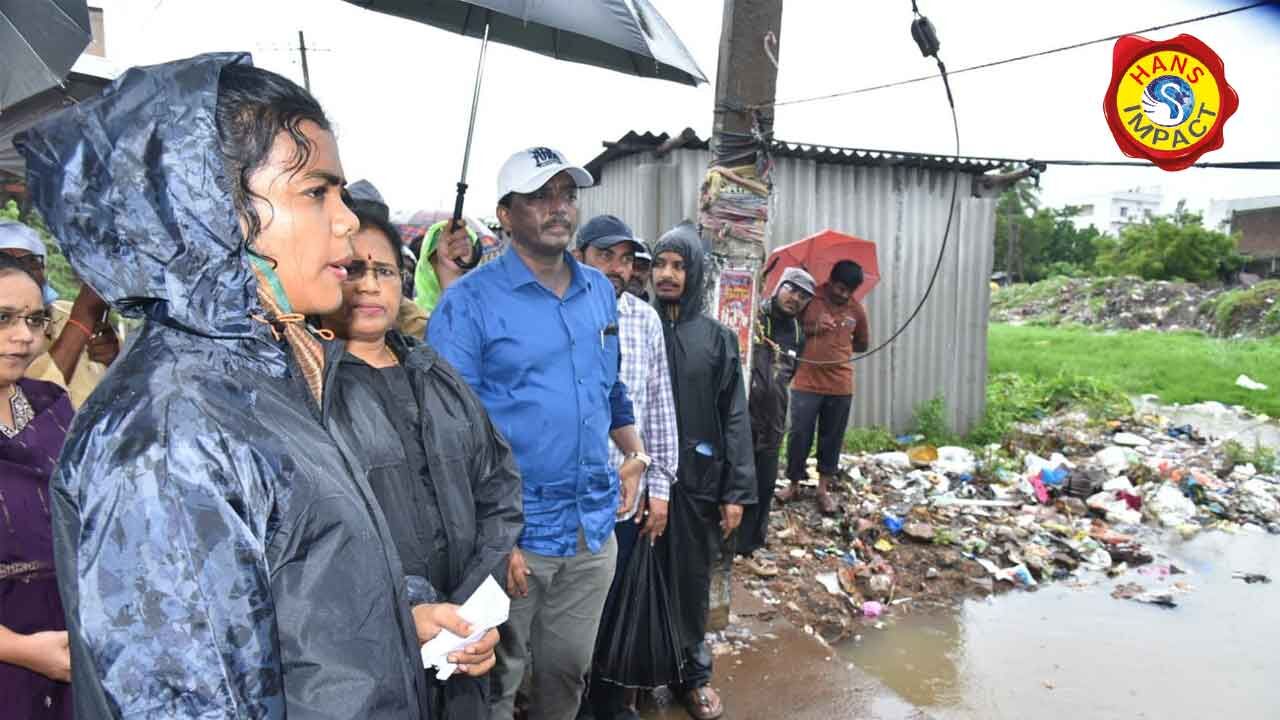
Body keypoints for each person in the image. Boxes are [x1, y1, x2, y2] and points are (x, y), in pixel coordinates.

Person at [18, 54, 437, 718]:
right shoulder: (169, 436)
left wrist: (403, 610)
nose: (349, 220)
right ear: (211, 210)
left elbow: (295, 578)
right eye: (315, 191)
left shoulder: (261, 374)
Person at [428, 146, 649, 720]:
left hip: (592, 529)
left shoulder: (599, 291)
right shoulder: (467, 304)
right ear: (505, 214)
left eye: (567, 195)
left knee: (566, 675)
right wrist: (495, 538)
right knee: (493, 683)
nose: (559, 208)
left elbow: (610, 386)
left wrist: (636, 453)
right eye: (541, 197)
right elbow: (451, 438)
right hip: (515, 537)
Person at [320, 200, 523, 720]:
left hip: (458, 645)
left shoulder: (437, 375)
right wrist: (403, 613)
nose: (369, 285)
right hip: (362, 659)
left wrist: (474, 608)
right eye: (353, 269)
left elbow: (496, 487)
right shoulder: (308, 391)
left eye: (383, 270)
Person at [572, 215, 679, 720]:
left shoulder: (644, 320)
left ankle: (608, 703)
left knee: (616, 611)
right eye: (604, 256)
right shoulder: (556, 314)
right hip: (563, 503)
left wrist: (659, 488)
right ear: (580, 256)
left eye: (626, 258)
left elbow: (658, 406)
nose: (617, 268)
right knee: (567, 618)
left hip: (623, 501)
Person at [651, 222, 755, 720]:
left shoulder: (716, 339)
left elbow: (734, 415)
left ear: (694, 275)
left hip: (696, 484)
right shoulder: (637, 325)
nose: (667, 275)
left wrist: (735, 491)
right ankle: (637, 673)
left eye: (678, 266)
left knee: (691, 583)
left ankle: (693, 676)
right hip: (643, 484)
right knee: (640, 579)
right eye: (660, 264)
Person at [0, 254, 75, 719]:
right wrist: (24, 651)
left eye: (35, 319)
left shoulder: (52, 409)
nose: (24, 336)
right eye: (3, 318)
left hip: (69, 652)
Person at [738, 267, 815, 577]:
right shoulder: (756, 316)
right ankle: (726, 542)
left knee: (764, 483)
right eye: (791, 289)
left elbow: (788, 376)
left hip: (773, 420)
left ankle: (751, 546)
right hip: (742, 415)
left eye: (803, 295)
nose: (794, 298)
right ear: (778, 286)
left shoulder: (797, 333)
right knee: (736, 481)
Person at [780, 260, 870, 515]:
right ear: (830, 281)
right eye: (840, 288)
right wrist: (815, 328)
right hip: (806, 381)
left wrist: (839, 341)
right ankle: (794, 484)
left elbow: (862, 343)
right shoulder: (810, 298)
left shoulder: (857, 310)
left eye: (848, 291)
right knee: (799, 434)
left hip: (841, 385)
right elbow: (790, 329)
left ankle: (822, 490)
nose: (843, 294)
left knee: (832, 438)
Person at [0, 219, 119, 408]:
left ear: (44, 269)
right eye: (6, 262)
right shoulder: (81, 313)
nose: (21, 271)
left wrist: (115, 360)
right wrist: (81, 321)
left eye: (30, 261)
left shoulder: (66, 312)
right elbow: (26, 409)